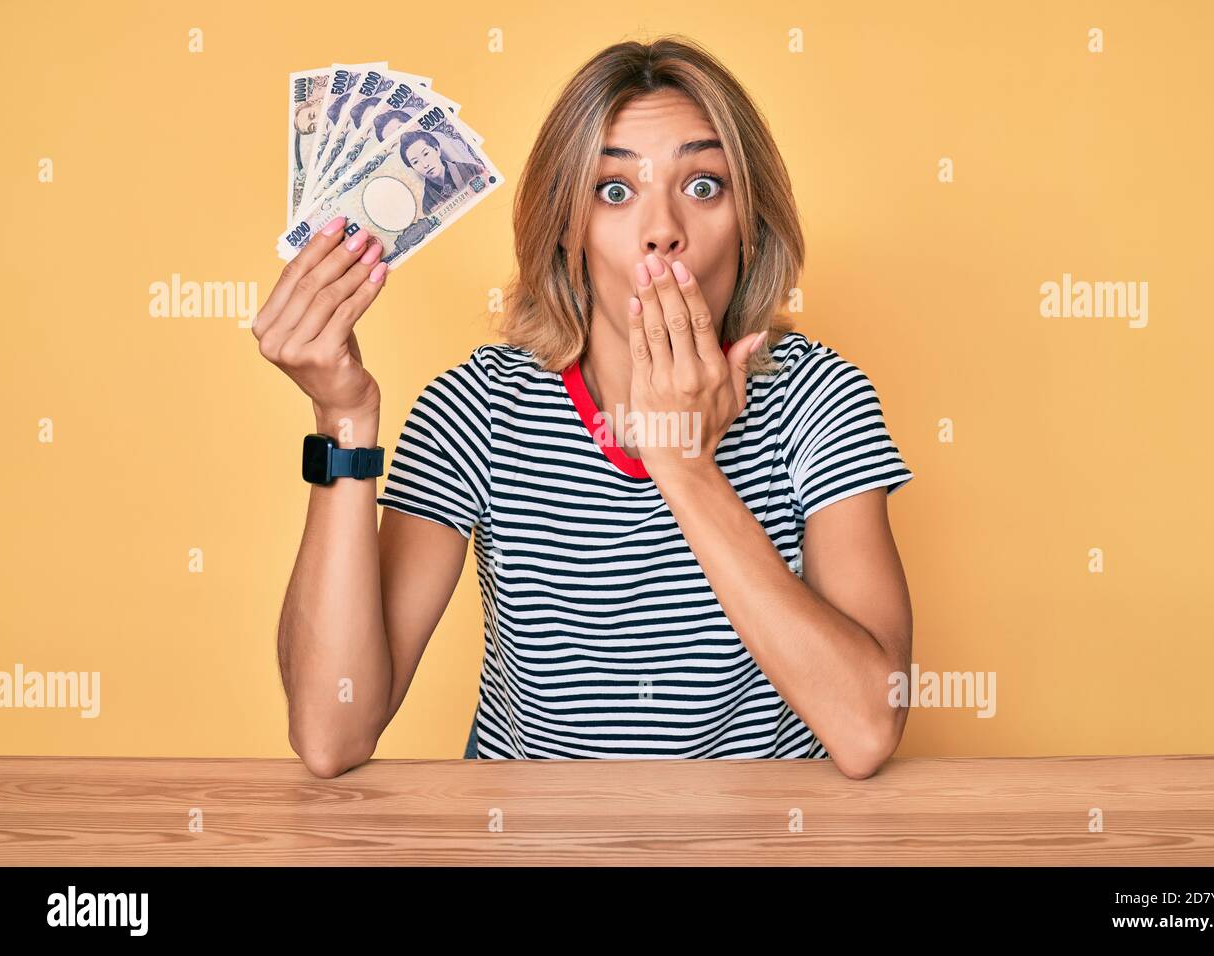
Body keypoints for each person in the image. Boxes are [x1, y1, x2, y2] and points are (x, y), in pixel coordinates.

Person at [253, 35, 915, 779]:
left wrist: (683, 464)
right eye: (615, 189)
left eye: (703, 185)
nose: (662, 228)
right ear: (568, 228)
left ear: (751, 218)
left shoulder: (819, 398)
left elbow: (865, 728)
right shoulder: (479, 409)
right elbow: (331, 734)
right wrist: (342, 421)